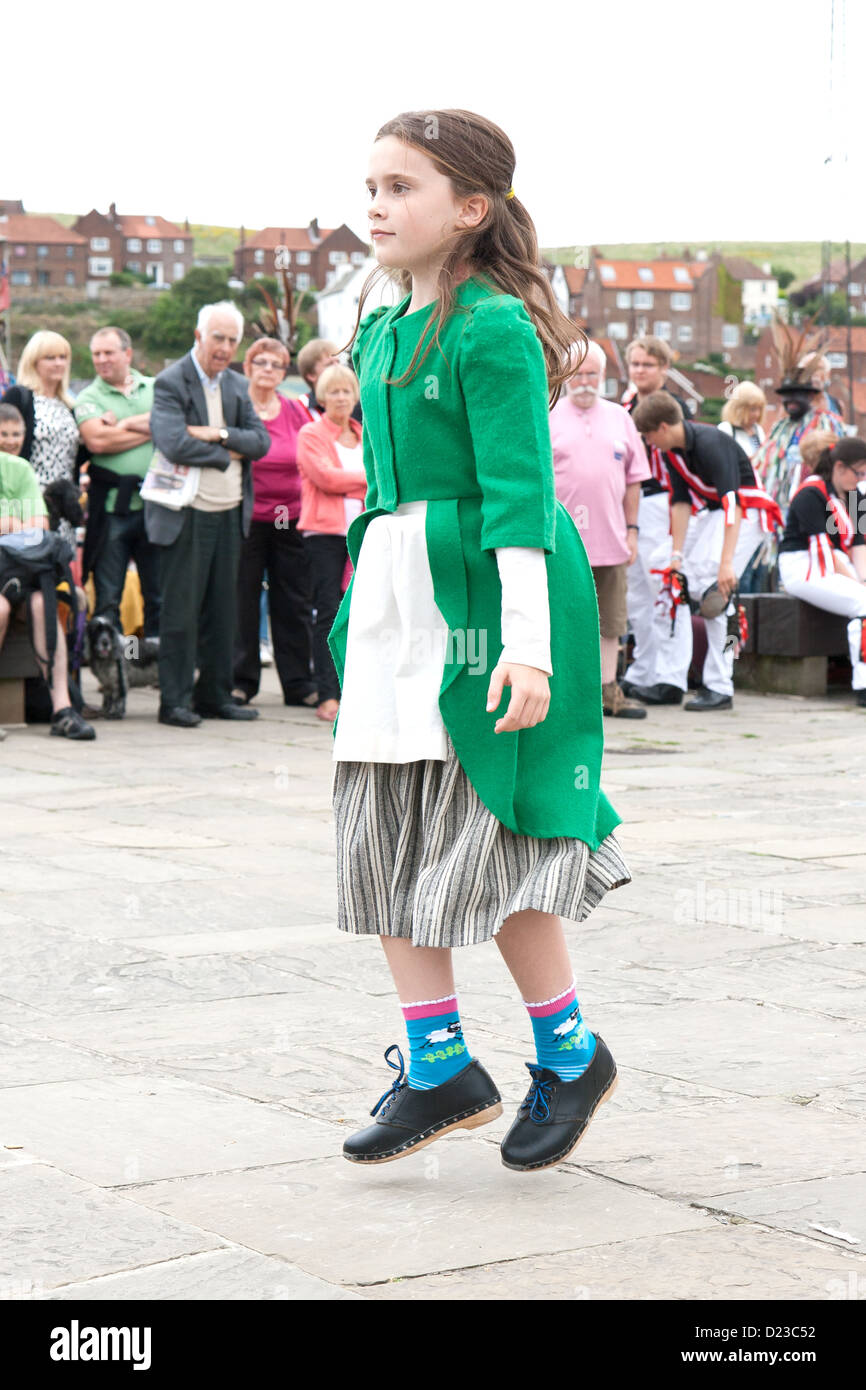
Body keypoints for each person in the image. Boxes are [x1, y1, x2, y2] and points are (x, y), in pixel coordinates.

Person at [329, 108, 630, 1173]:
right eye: (369, 184)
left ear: (469, 208)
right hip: (395, 598)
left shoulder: (490, 326)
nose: (375, 203)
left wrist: (528, 646)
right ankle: (438, 1064)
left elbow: (517, 497)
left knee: (485, 842)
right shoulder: (374, 317)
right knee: (384, 833)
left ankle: (567, 1051)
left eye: (401, 187)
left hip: (476, 602)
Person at [147, 302, 270, 727]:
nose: (225, 347)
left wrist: (218, 435)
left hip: (230, 513)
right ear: (199, 336)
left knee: (225, 610)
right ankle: (174, 701)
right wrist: (226, 455)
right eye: (218, 337)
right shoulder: (170, 382)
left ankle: (214, 695)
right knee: (181, 612)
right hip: (187, 514)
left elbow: (261, 443)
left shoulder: (237, 384)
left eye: (233, 340)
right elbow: (173, 443)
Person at [632, 391, 782, 711]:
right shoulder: (672, 452)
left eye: (647, 435)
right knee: (664, 569)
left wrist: (726, 563)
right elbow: (682, 504)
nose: (647, 442)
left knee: (716, 590)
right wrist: (676, 555)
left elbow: (734, 503)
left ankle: (720, 684)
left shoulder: (711, 442)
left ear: (661, 427)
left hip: (747, 512)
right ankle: (671, 678)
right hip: (715, 514)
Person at [550, 339, 648, 718]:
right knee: (561, 617)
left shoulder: (621, 417)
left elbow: (635, 479)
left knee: (610, 619)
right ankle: (564, 693)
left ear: (604, 376)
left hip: (611, 537)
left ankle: (607, 691)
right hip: (563, 540)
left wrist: (633, 529)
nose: (585, 382)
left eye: (593, 374)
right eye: (578, 374)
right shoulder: (548, 412)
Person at [75, 327, 159, 715]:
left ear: (128, 353)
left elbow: (169, 425)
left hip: (156, 505)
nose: (102, 360)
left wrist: (122, 425)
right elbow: (97, 443)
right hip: (111, 511)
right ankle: (113, 680)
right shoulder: (90, 396)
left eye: (109, 352)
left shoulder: (155, 387)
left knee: (156, 597)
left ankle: (155, 673)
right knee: (107, 600)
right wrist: (146, 429)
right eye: (96, 354)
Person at [232, 337, 316, 708]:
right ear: (247, 367)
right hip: (246, 515)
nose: (268, 369)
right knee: (243, 599)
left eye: (277, 364)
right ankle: (240, 681)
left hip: (287, 516)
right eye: (261, 362)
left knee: (292, 600)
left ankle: (298, 683)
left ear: (285, 372)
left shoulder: (295, 411)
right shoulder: (236, 407)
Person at [0, 448, 95, 739]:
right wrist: (16, 525)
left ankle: (62, 710)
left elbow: (39, 528)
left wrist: (10, 526)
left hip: (16, 570)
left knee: (44, 602)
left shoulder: (16, 468)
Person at [619, 336, 690, 704]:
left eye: (648, 364)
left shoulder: (674, 408)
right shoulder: (625, 406)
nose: (640, 371)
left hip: (665, 499)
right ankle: (644, 668)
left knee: (665, 586)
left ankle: (671, 675)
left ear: (664, 369)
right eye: (635, 364)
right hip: (632, 504)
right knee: (637, 594)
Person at [296, 363, 367, 722]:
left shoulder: (364, 432)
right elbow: (324, 478)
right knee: (328, 611)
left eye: (346, 391)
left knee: (362, 612)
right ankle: (327, 693)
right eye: (334, 391)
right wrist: (364, 478)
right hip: (324, 534)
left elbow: (382, 477)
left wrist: (352, 480)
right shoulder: (310, 433)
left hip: (363, 533)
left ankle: (358, 690)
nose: (341, 397)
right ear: (322, 397)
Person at [778, 437, 866, 707]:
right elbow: (823, 552)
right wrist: (859, 586)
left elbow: (859, 542)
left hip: (836, 562)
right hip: (804, 565)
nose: (861, 479)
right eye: (859, 472)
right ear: (839, 467)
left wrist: (863, 579)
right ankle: (863, 685)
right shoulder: (811, 494)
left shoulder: (854, 496)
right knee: (863, 603)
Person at [1, 331, 88, 550]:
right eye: (50, 358)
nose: (58, 363)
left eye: (62, 357)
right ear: (34, 362)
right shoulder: (20, 397)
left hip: (62, 505)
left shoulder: (69, 405)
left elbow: (76, 455)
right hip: (27, 503)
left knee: (58, 572)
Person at [718, 382, 767, 458]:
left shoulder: (758, 429)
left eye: (760, 408)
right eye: (752, 409)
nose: (757, 414)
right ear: (739, 409)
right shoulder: (726, 429)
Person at [295, 339, 339, 420]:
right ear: (311, 375)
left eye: (338, 362)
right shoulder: (298, 409)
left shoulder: (353, 404)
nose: (338, 368)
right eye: (329, 364)